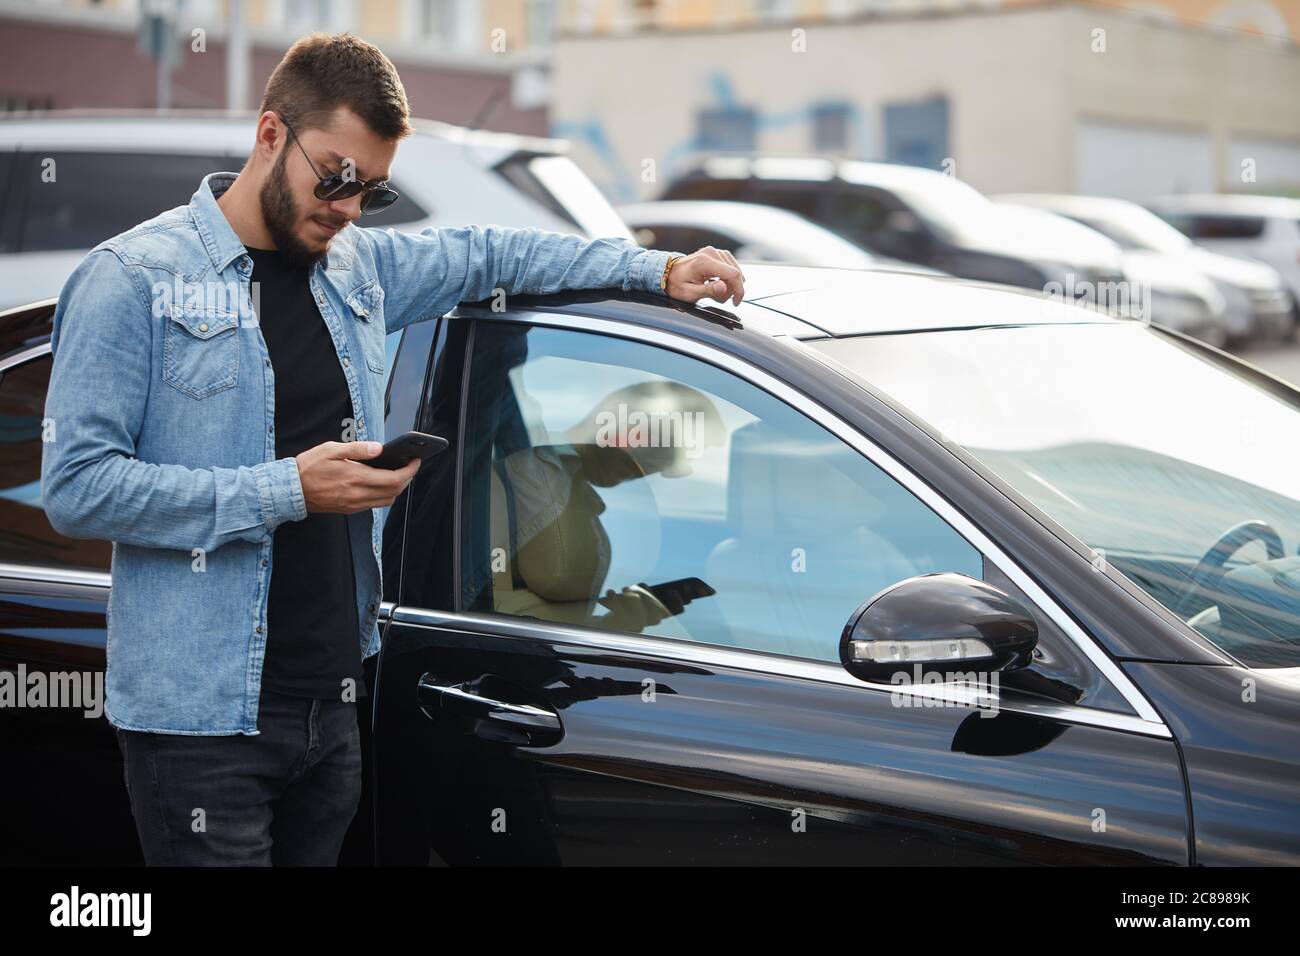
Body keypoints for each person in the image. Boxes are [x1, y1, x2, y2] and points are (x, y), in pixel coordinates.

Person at [39, 31, 745, 866]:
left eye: (369, 190)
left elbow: (494, 252)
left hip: (333, 707)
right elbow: (78, 487)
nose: (347, 207)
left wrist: (656, 270)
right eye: (335, 177)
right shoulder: (133, 279)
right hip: (203, 723)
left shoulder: (356, 270)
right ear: (270, 134)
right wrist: (289, 489)